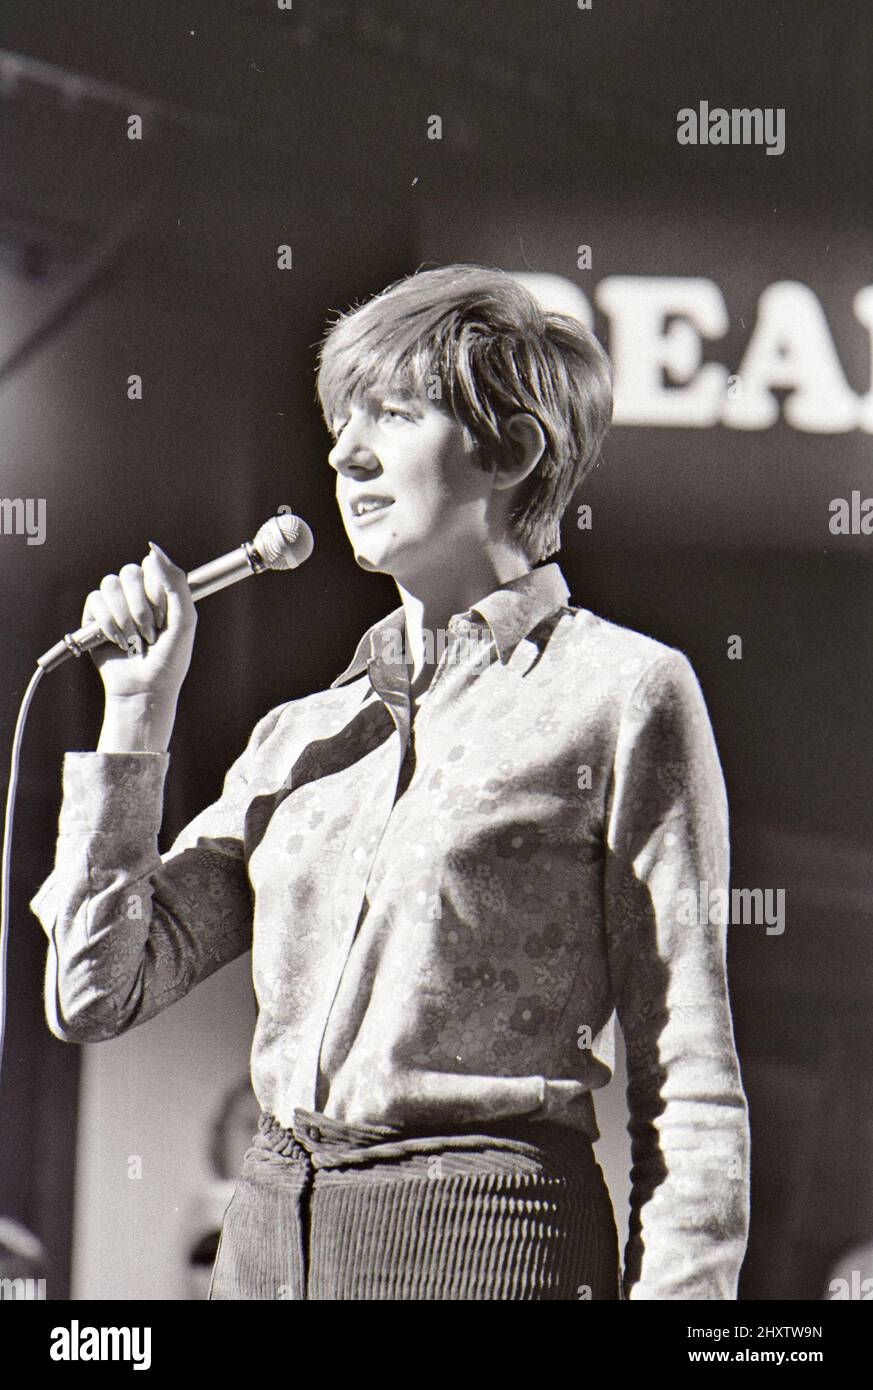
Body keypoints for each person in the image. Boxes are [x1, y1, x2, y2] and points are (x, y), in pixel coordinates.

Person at [31, 264, 750, 1300]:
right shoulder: (304, 733)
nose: (343, 452)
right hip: (267, 1238)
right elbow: (96, 992)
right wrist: (137, 712)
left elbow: (691, 1072)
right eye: (338, 423)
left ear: (514, 449)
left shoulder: (624, 690)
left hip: (483, 1241)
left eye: (392, 415)